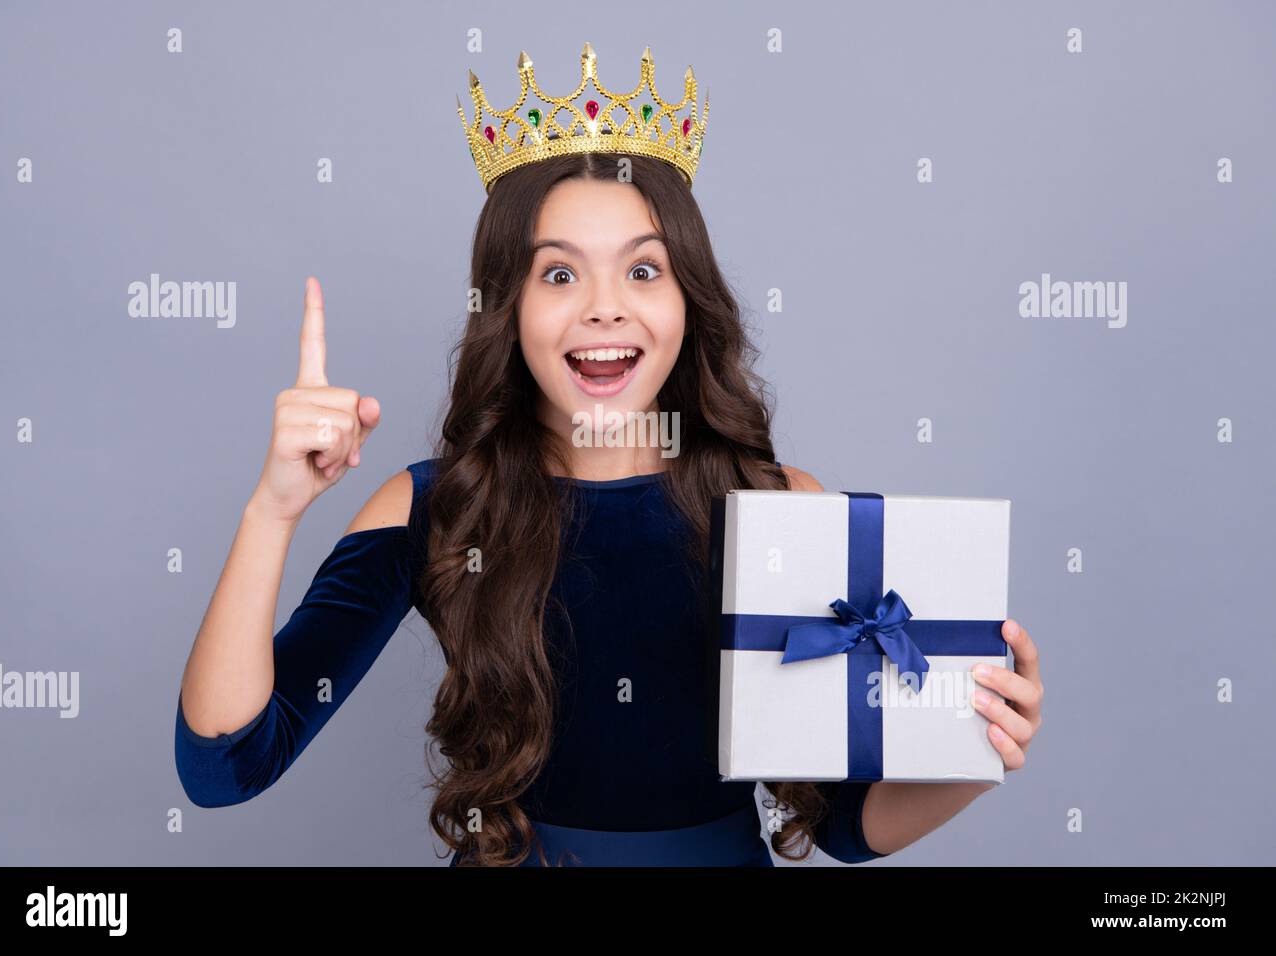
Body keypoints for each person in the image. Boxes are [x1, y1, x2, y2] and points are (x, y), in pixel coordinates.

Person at [174, 43, 1045, 867]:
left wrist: (975, 751)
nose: (603, 308)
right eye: (558, 274)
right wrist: (273, 511)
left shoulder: (780, 504)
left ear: (688, 299)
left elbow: (847, 824)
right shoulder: (437, 509)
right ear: (506, 307)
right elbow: (225, 768)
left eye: (641, 270)